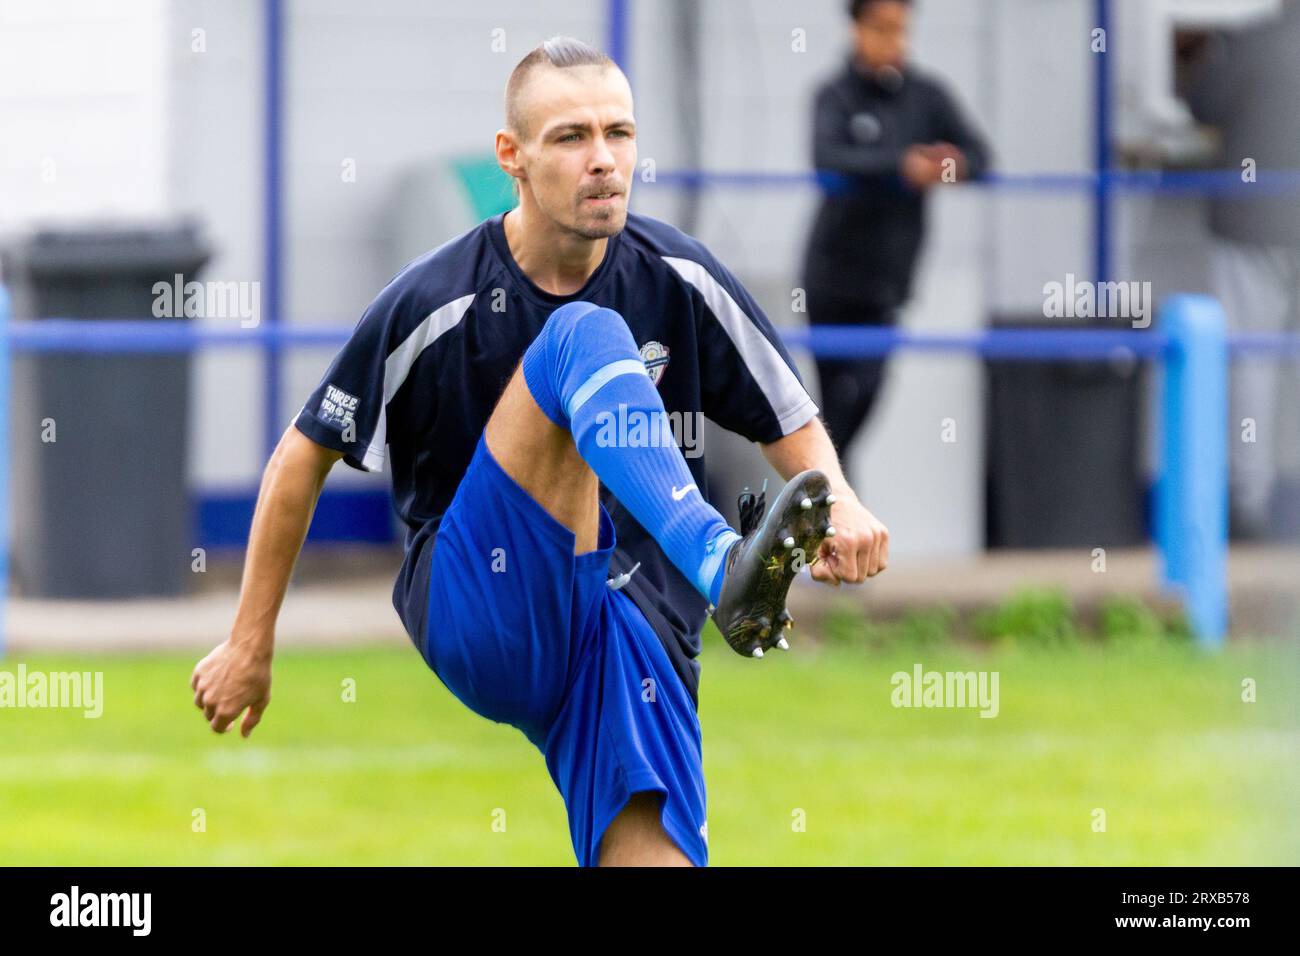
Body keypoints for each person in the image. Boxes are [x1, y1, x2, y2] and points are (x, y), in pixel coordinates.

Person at [190, 36, 889, 867]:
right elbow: (299, 459)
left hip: (634, 628)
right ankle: (721, 561)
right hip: (482, 607)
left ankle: (720, 574)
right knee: (580, 339)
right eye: (571, 137)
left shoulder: (680, 276)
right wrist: (249, 642)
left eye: (618, 134)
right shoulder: (432, 299)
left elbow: (789, 416)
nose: (603, 160)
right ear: (511, 158)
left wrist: (840, 498)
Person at [802, 0, 990, 461]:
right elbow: (828, 158)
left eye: (902, 30)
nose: (895, 41)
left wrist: (951, 166)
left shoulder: (927, 96)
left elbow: (980, 159)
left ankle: (829, 501)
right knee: (833, 409)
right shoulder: (834, 95)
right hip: (831, 278)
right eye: (883, 29)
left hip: (888, 284)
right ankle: (832, 508)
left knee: (861, 399)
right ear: (857, 29)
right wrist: (901, 166)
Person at [1180, 2, 1300, 540]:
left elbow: (1201, 105)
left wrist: (1199, 52)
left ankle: (1249, 507)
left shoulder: (1251, 43)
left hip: (1252, 224)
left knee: (1250, 361)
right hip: (1275, 219)